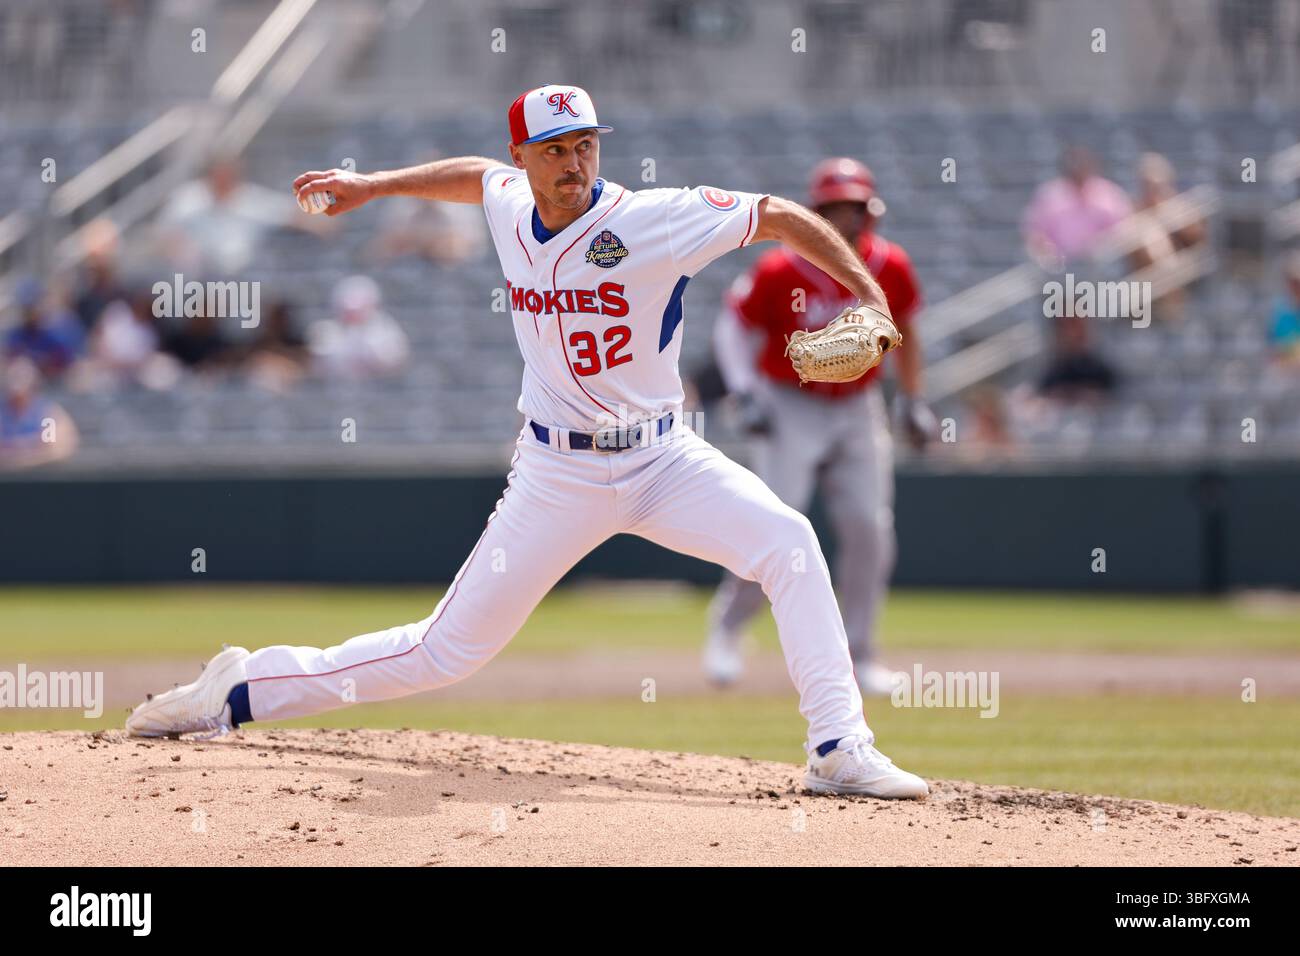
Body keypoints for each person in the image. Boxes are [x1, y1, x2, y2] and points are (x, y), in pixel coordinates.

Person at [125, 84, 928, 800]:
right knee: (444, 654)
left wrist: (868, 296)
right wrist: (372, 187)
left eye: (585, 144)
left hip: (661, 457)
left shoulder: (654, 220)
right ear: (526, 159)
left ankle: (837, 747)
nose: (574, 161)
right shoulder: (510, 200)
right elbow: (476, 175)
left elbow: (780, 215)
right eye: (555, 150)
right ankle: (242, 687)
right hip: (555, 473)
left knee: (789, 540)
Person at [704, 158, 934, 695]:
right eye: (832, 209)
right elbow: (731, 328)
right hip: (790, 403)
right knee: (772, 526)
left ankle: (860, 652)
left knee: (869, 527)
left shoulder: (890, 265)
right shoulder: (781, 269)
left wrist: (915, 400)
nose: (843, 218)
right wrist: (744, 392)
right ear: (815, 213)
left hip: (858, 404)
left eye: (851, 207)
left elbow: (909, 332)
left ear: (868, 210)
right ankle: (728, 629)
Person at [1022, 146, 1131, 265]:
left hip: (1102, 264)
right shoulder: (1049, 195)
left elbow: (1124, 230)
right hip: (1059, 265)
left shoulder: (1109, 194)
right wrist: (1048, 254)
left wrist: (1100, 247)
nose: (1078, 173)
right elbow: (1034, 232)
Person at [308, 275, 410, 381]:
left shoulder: (387, 331)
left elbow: (392, 364)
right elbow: (318, 368)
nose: (353, 314)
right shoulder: (325, 330)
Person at [0, 357, 79, 470]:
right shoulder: (2, 413)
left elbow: (57, 449)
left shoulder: (46, 414)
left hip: (41, 475)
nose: (17, 385)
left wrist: (24, 457)